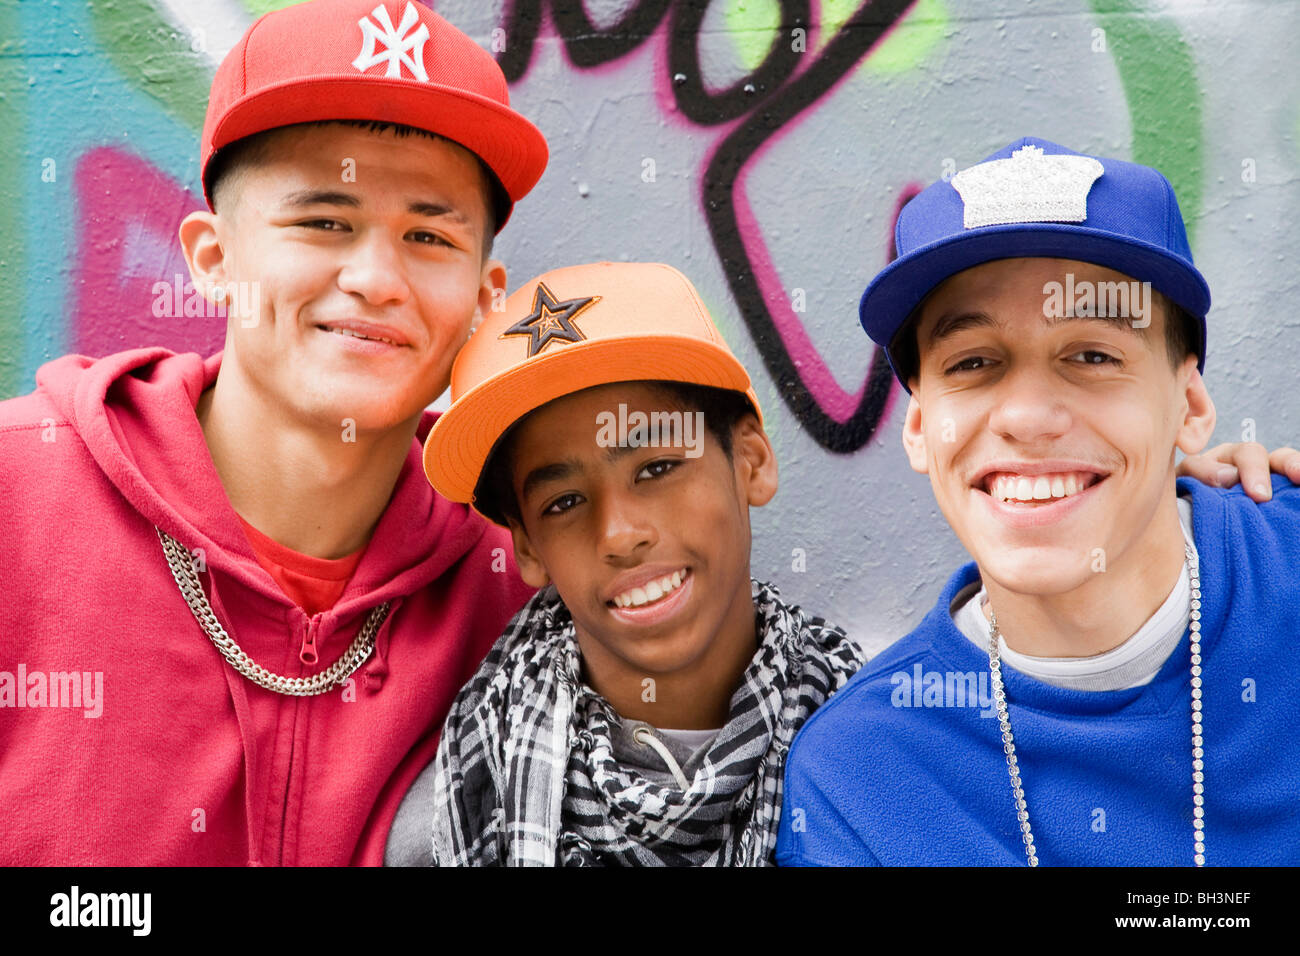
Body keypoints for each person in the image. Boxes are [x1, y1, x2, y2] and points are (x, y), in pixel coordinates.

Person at [0, 0, 547, 865]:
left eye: (430, 235)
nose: (375, 277)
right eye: (323, 222)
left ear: (485, 297)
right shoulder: (15, 499)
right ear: (214, 260)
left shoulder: (526, 574)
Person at [776, 137, 1300, 866]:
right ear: (922, 426)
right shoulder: (860, 776)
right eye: (974, 364)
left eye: (1092, 355)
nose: (1026, 416)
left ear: (1190, 404)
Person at [415, 261, 866, 866]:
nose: (619, 535)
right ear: (526, 545)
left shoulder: (877, 764)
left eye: (656, 468)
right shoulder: (462, 805)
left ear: (751, 462)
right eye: (564, 502)